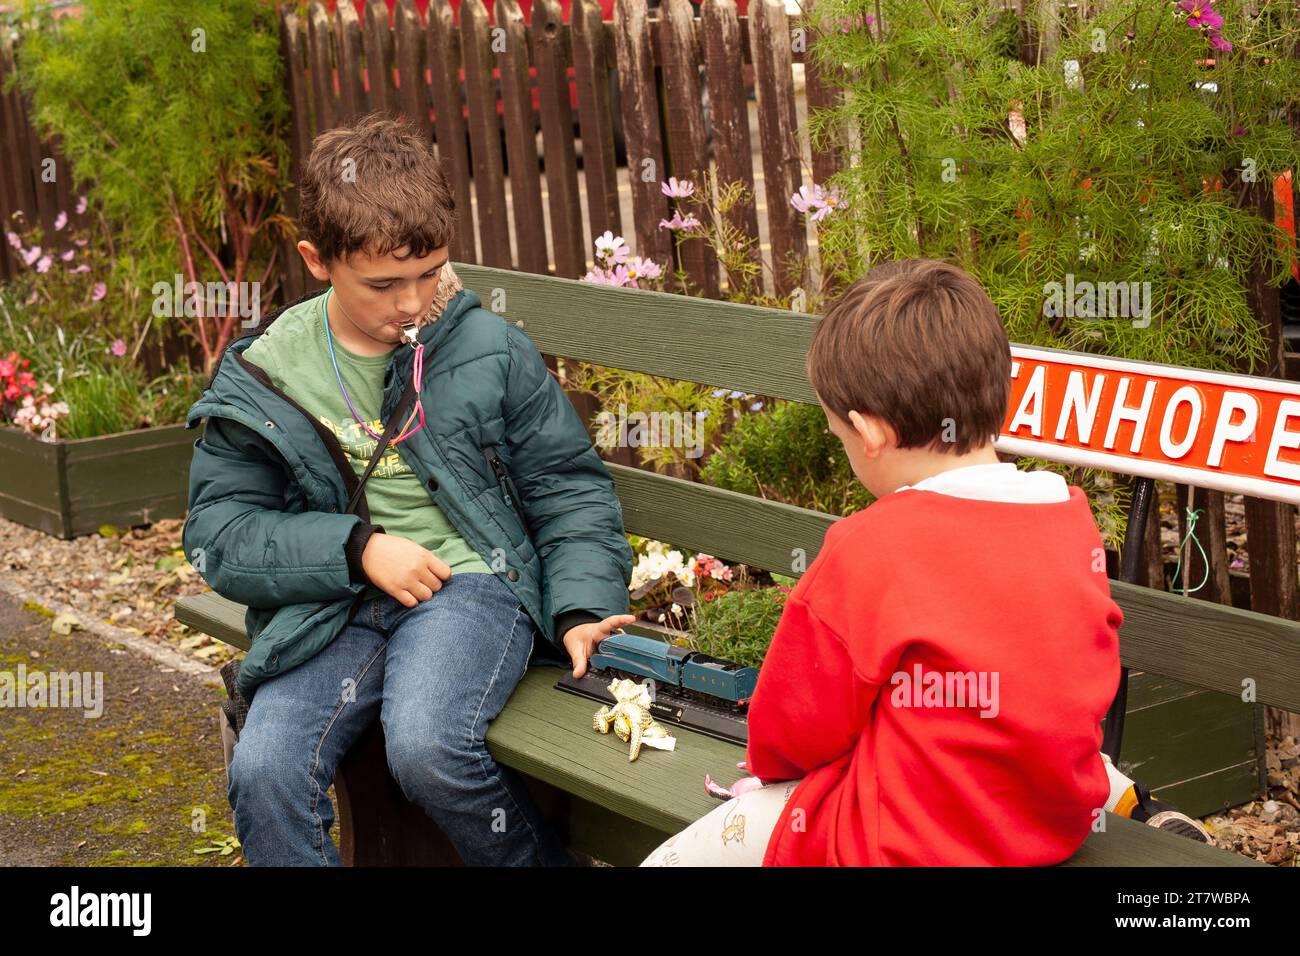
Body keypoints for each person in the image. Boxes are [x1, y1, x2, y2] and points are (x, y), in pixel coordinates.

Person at [641, 258, 1208, 867]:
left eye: (838, 435)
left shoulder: (871, 546)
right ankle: (1126, 799)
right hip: (1047, 817)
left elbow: (794, 728)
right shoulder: (1065, 513)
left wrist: (774, 769)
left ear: (869, 432)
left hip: (913, 841)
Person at [183, 111, 634, 866]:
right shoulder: (264, 373)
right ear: (316, 259)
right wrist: (356, 549)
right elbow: (221, 535)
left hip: (472, 586)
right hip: (335, 604)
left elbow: (566, 486)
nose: (412, 301)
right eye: (385, 283)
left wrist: (584, 606)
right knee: (264, 768)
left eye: (431, 274)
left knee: (427, 746)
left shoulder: (487, 346)